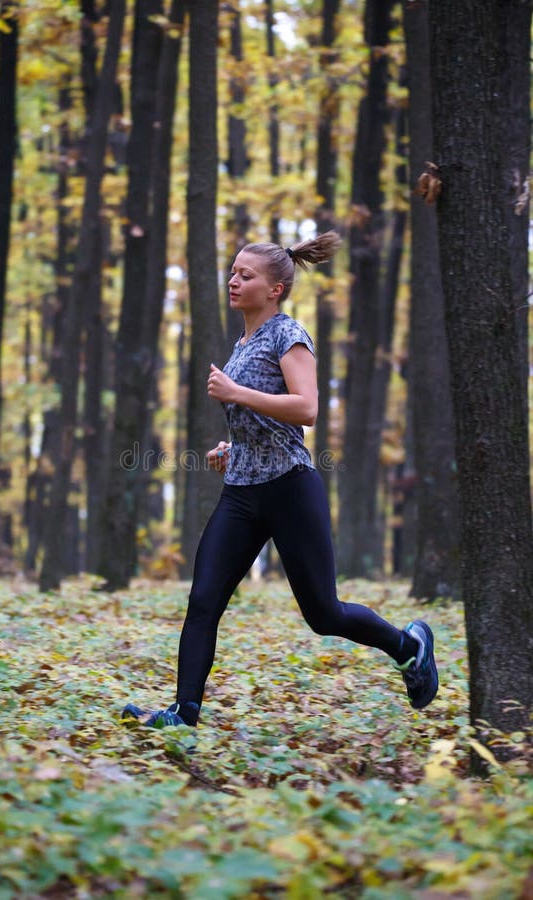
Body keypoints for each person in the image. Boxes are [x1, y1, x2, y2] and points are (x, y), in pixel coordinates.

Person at [123, 232, 438, 728]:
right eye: (233, 271)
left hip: (290, 487)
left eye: (245, 275)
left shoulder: (288, 335)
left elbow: (307, 408)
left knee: (323, 615)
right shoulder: (243, 341)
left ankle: (408, 646)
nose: (233, 280)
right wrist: (233, 447)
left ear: (274, 289)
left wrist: (237, 393)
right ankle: (183, 716)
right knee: (203, 600)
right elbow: (266, 419)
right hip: (243, 492)